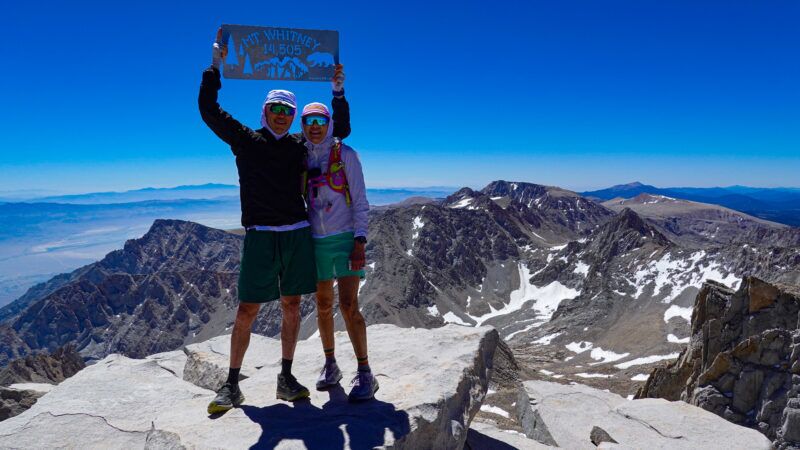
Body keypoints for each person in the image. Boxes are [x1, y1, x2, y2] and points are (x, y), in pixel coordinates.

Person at [199, 31, 351, 414]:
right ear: (264, 112)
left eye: (288, 111)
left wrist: (337, 93)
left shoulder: (302, 144)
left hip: (297, 234)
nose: (282, 117)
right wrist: (215, 65)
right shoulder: (246, 140)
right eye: (276, 110)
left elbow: (340, 131)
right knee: (247, 309)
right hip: (261, 237)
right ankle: (231, 384)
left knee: (291, 305)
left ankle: (285, 378)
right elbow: (208, 109)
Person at [300, 103, 376, 402]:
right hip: (316, 240)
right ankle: (331, 365)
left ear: (329, 123)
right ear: (303, 126)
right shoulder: (303, 156)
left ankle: (365, 371)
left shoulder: (347, 156)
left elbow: (360, 201)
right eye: (308, 121)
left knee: (348, 305)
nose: (314, 126)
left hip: (344, 239)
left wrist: (360, 241)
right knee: (322, 304)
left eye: (320, 120)